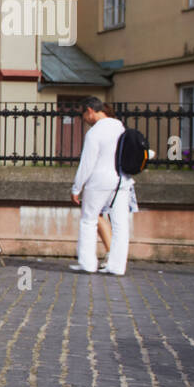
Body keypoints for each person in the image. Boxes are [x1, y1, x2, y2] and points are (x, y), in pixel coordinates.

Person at [70, 98, 134, 275]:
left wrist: (76, 188)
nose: (84, 119)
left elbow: (87, 164)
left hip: (98, 181)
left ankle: (88, 263)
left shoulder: (94, 133)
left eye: (84, 115)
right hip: (122, 181)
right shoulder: (120, 128)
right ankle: (117, 266)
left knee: (88, 220)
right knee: (120, 224)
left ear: (90, 111)